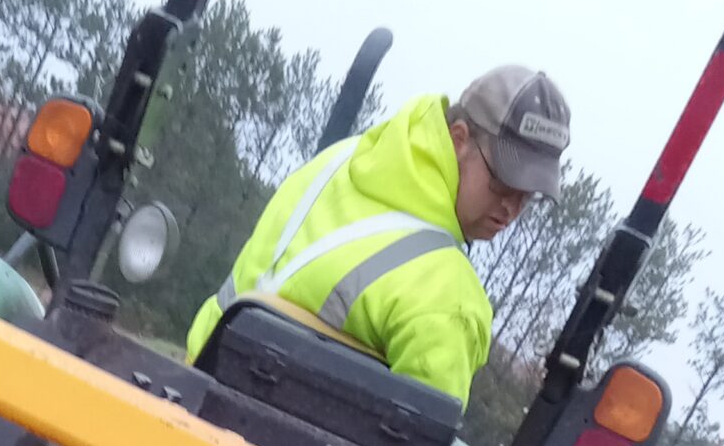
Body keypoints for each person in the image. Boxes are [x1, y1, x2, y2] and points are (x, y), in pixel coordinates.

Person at [186, 66, 571, 407]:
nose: (512, 208)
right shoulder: (449, 298)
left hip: (188, 393)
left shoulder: (339, 159)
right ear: (458, 139)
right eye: (503, 183)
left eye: (529, 196)